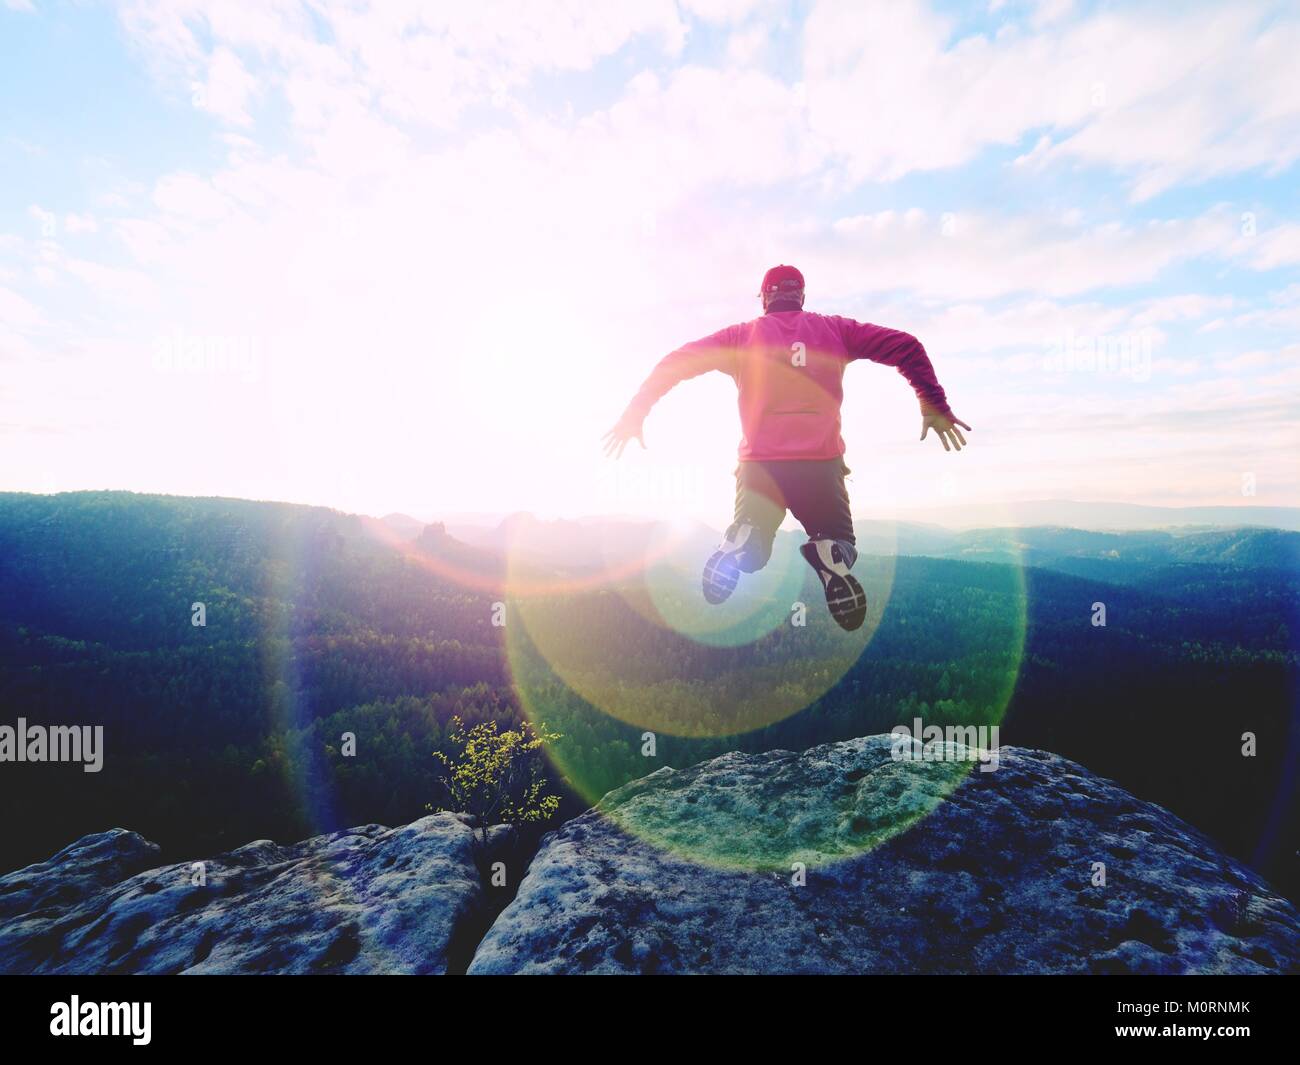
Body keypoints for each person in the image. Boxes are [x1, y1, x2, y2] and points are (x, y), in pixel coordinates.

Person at [602, 265, 970, 631]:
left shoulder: (741, 337)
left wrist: (636, 412)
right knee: (843, 545)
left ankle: (743, 537)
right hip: (820, 466)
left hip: (758, 468)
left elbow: (677, 362)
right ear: (802, 297)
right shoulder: (835, 330)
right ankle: (829, 552)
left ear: (764, 299)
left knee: (754, 554)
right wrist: (932, 402)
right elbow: (906, 346)